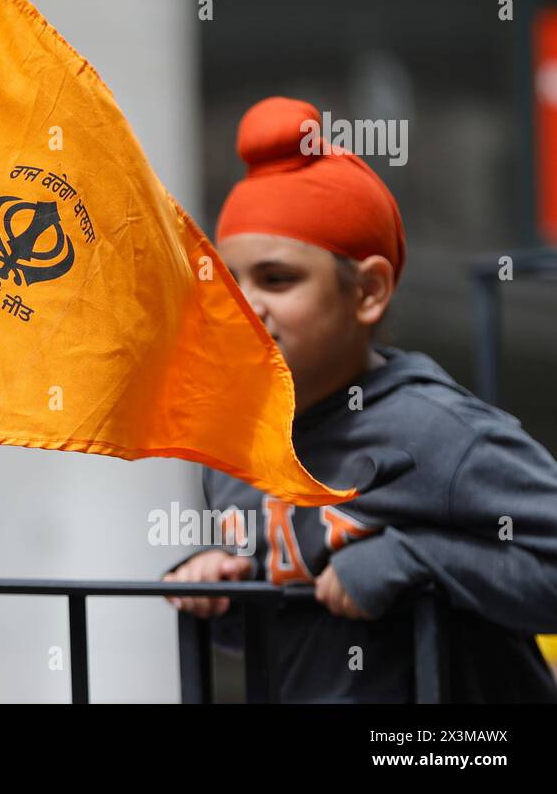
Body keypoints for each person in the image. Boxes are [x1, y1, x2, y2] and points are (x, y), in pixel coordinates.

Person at [162, 96, 557, 702]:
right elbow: (293, 630)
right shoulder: (234, 450)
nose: (244, 307)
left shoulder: (438, 432)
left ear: (368, 291)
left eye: (278, 278)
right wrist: (221, 591)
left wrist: (418, 558)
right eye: (228, 282)